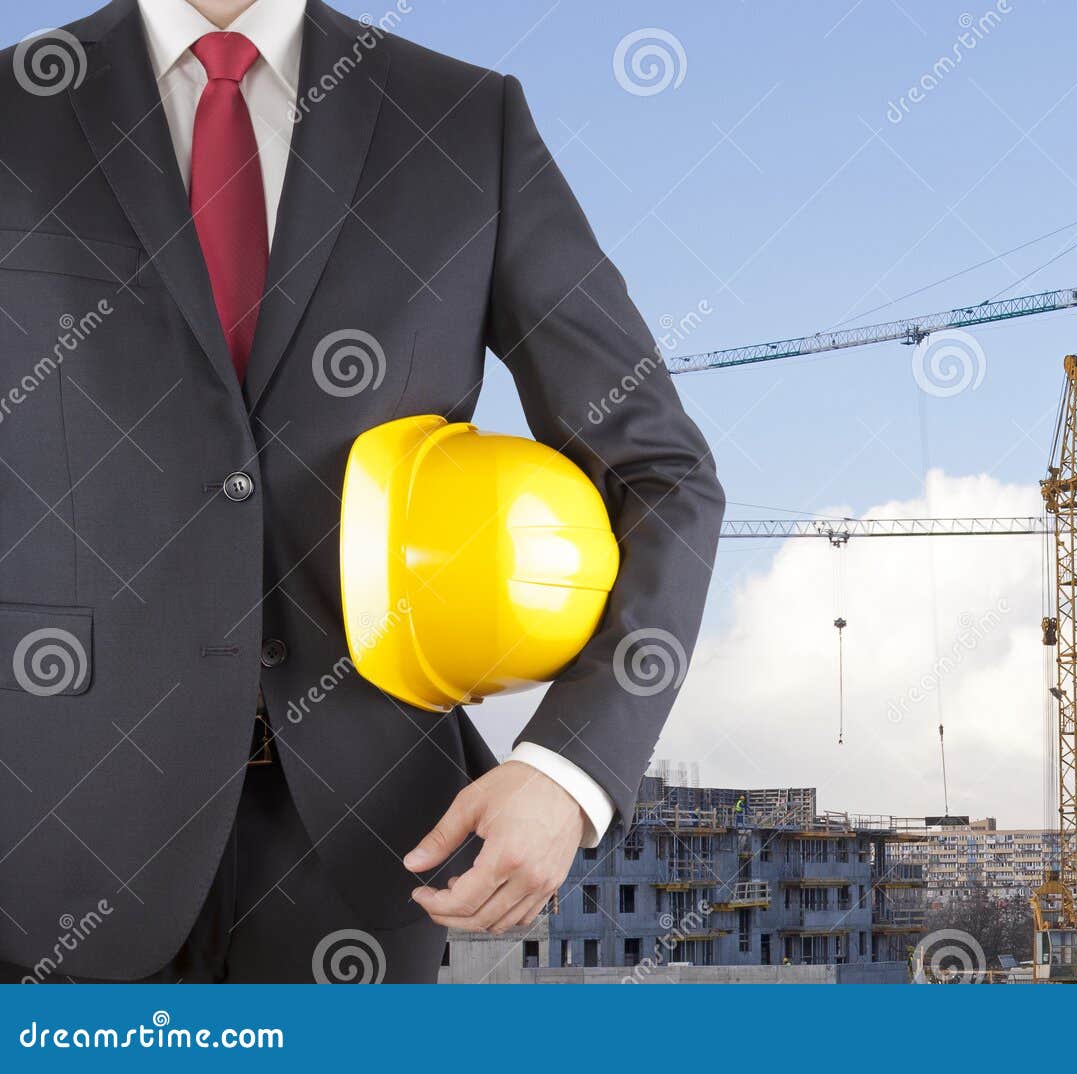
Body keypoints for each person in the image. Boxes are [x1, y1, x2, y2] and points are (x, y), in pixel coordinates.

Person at [0, 0, 723, 983]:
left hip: (368, 848)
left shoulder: (467, 121)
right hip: (43, 840)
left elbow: (659, 473)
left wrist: (569, 769)